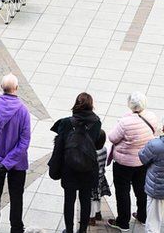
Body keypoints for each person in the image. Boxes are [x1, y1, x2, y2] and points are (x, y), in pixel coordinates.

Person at [0, 74, 31, 233]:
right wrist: (8, 162)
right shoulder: (23, 111)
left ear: (2, 87)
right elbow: (24, 141)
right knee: (16, 197)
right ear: (16, 88)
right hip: (17, 163)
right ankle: (16, 228)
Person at [50, 93, 105, 233]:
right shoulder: (97, 123)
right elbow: (95, 144)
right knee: (85, 200)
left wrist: (55, 166)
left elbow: (60, 146)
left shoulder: (65, 123)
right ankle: (82, 230)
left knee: (69, 200)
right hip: (88, 167)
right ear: (91, 105)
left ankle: (69, 230)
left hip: (69, 167)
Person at [106, 92, 158, 231]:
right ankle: (143, 216)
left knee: (122, 191)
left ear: (130, 104)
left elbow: (112, 137)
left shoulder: (125, 122)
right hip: (143, 160)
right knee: (141, 189)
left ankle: (123, 222)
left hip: (124, 163)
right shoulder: (152, 117)